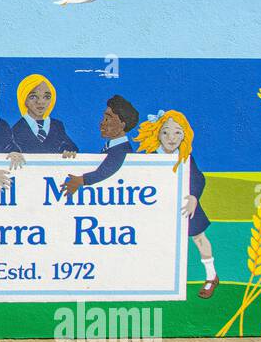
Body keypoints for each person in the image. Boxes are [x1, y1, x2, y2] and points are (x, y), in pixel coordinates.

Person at [137, 109, 217, 298]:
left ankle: (211, 276)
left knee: (199, 238)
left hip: (185, 207)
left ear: (185, 135)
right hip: (160, 208)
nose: (171, 138)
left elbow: (198, 178)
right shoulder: (150, 156)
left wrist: (194, 197)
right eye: (166, 132)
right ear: (157, 133)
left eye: (177, 133)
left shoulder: (185, 157)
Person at [62, 94, 138, 197]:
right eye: (103, 118)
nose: (102, 123)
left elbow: (108, 168)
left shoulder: (122, 149)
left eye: (107, 119)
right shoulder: (110, 147)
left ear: (122, 125)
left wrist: (81, 180)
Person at [12, 74, 79, 157]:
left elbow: (71, 146)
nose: (40, 102)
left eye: (47, 97)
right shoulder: (17, 129)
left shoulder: (57, 125)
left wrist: (69, 150)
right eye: (33, 97)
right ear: (24, 99)